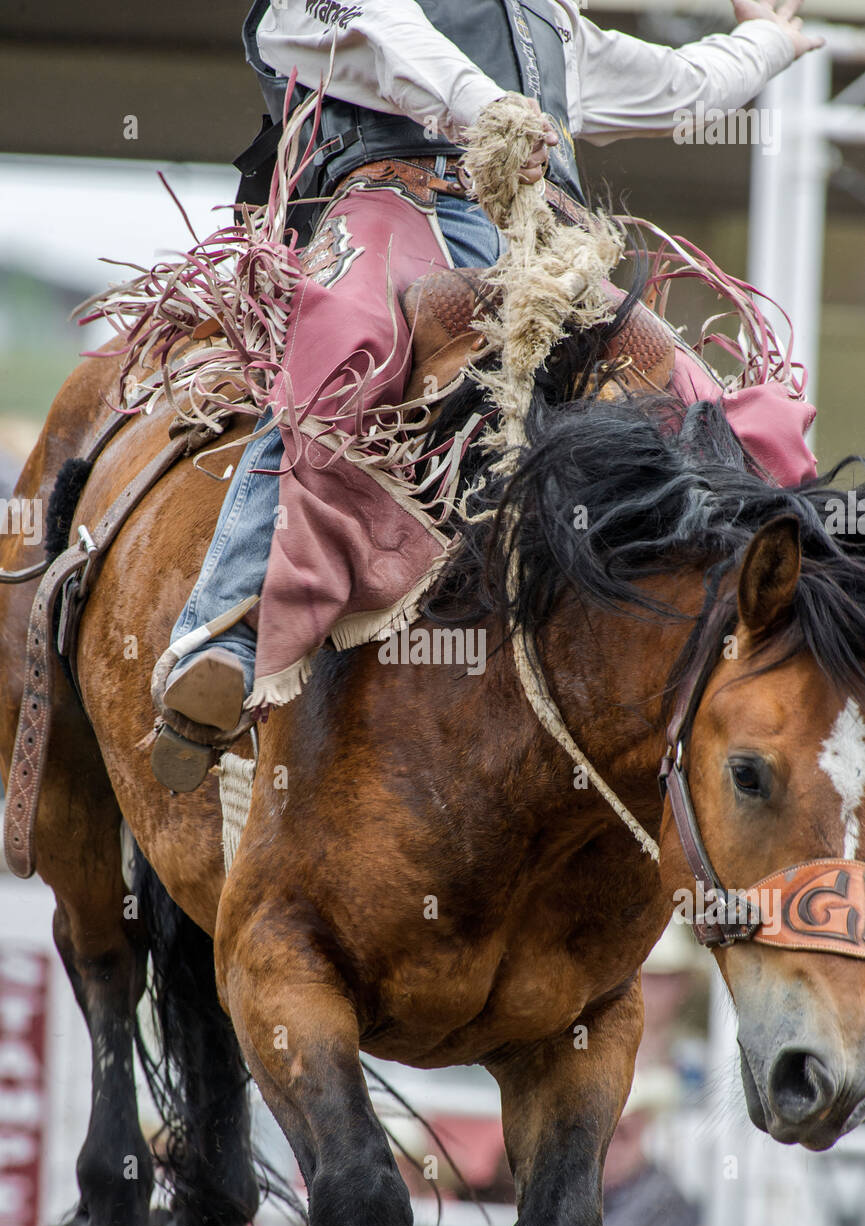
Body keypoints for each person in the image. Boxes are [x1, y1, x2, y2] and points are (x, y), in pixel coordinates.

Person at [153, 0, 822, 790]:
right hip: (392, 207)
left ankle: (808, 649)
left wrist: (765, 41)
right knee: (346, 341)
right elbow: (400, 43)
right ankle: (224, 637)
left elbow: (674, 85)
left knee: (721, 424)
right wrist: (495, 114)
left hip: (548, 254)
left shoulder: (547, 22)